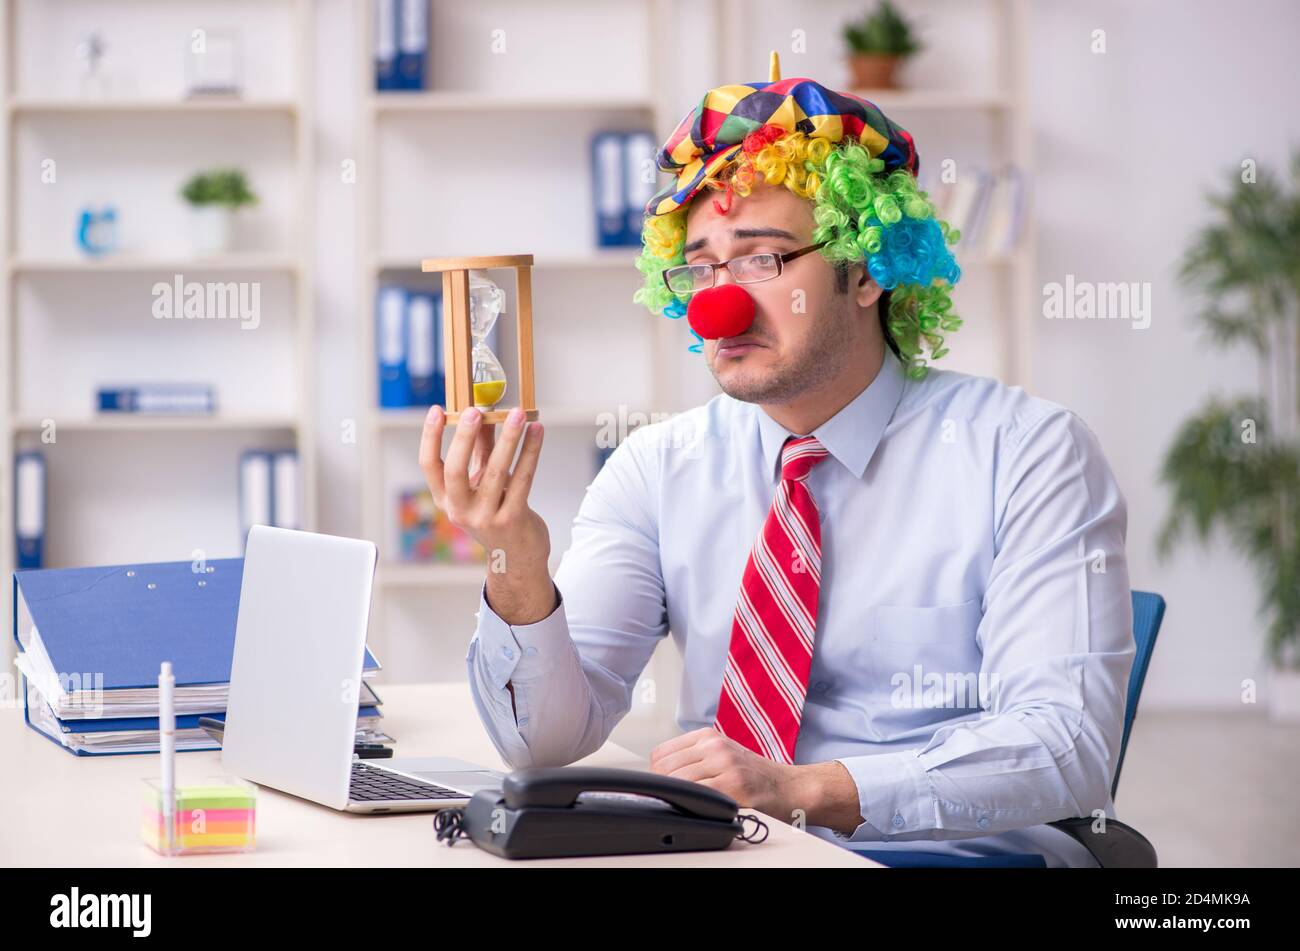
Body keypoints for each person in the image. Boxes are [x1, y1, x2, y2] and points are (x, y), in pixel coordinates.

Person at [418, 55, 1134, 867]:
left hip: (948, 854)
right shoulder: (658, 466)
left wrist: (803, 788)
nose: (721, 300)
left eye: (762, 258)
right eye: (700, 266)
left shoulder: (1029, 451)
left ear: (866, 268)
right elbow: (542, 743)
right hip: (721, 851)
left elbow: (1068, 745)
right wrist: (517, 562)